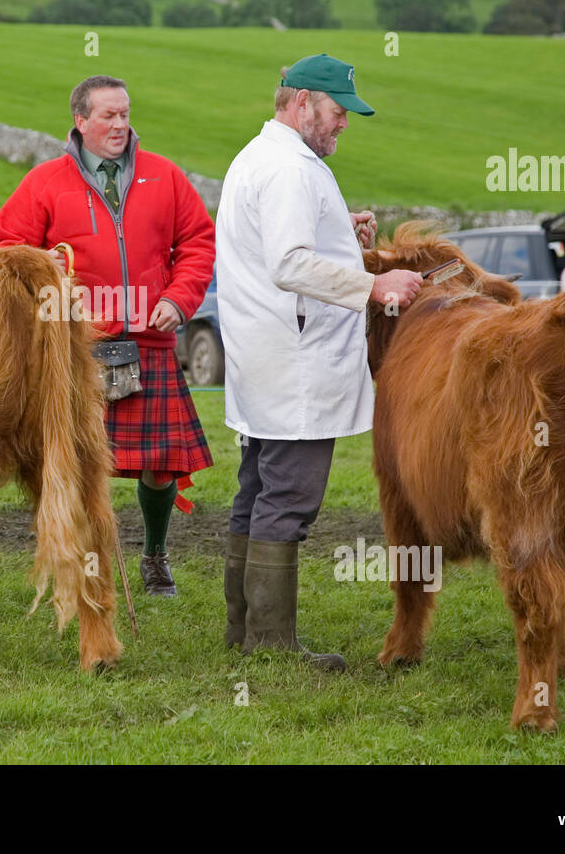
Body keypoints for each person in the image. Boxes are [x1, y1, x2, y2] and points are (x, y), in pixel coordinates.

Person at [216, 54, 423, 671]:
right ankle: (272, 646)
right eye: (337, 112)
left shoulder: (264, 156)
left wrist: (342, 233)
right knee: (289, 498)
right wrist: (376, 287)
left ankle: (243, 631)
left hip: (266, 355)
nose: (344, 125)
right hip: (295, 359)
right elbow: (288, 263)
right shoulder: (288, 169)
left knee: (255, 489)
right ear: (302, 102)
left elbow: (291, 246)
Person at [0, 75, 216, 597]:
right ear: (81, 121)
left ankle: (155, 554)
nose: (120, 125)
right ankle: (79, 555)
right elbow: (4, 247)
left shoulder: (165, 177)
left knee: (160, 463)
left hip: (150, 340)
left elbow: (199, 244)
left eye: (125, 114)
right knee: (70, 457)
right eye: (108, 116)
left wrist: (176, 300)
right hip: (75, 344)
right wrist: (35, 262)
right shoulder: (44, 182)